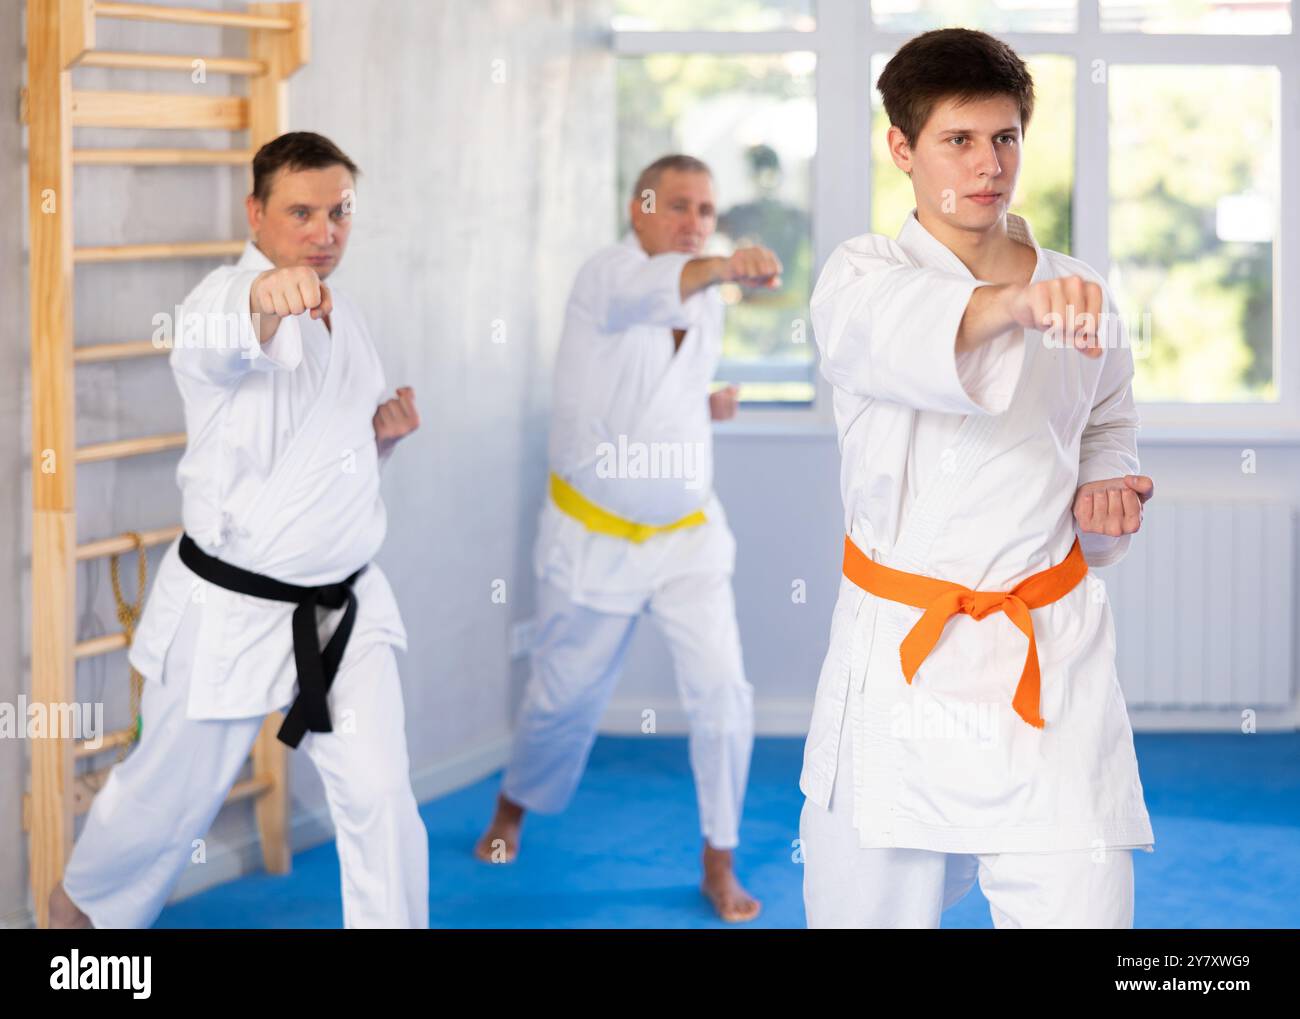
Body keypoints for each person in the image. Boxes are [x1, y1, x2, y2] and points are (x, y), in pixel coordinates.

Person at [799, 29, 1156, 929]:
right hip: (900, 661)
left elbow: (1107, 420)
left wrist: (1107, 483)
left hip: (1050, 653)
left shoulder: (1081, 290)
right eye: (959, 139)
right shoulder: (859, 277)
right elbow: (900, 333)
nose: (988, 163)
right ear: (903, 150)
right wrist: (1014, 306)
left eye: (1005, 138)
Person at [50, 131, 428, 929]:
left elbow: (318, 465)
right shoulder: (222, 303)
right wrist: (261, 299)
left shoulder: (346, 313)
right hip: (233, 609)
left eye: (340, 213)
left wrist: (379, 440)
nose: (325, 231)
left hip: (343, 608)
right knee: (163, 800)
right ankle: (75, 918)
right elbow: (218, 339)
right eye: (302, 212)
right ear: (255, 213)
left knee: (382, 794)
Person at [475, 155, 781, 922]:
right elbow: (653, 298)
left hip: (688, 539)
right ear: (637, 208)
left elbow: (646, 387)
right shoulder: (609, 276)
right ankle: (512, 807)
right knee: (561, 698)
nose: (694, 222)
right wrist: (722, 264)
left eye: (707, 210)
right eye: (677, 205)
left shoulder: (705, 295)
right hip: (594, 540)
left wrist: (703, 401)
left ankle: (720, 858)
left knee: (723, 692)